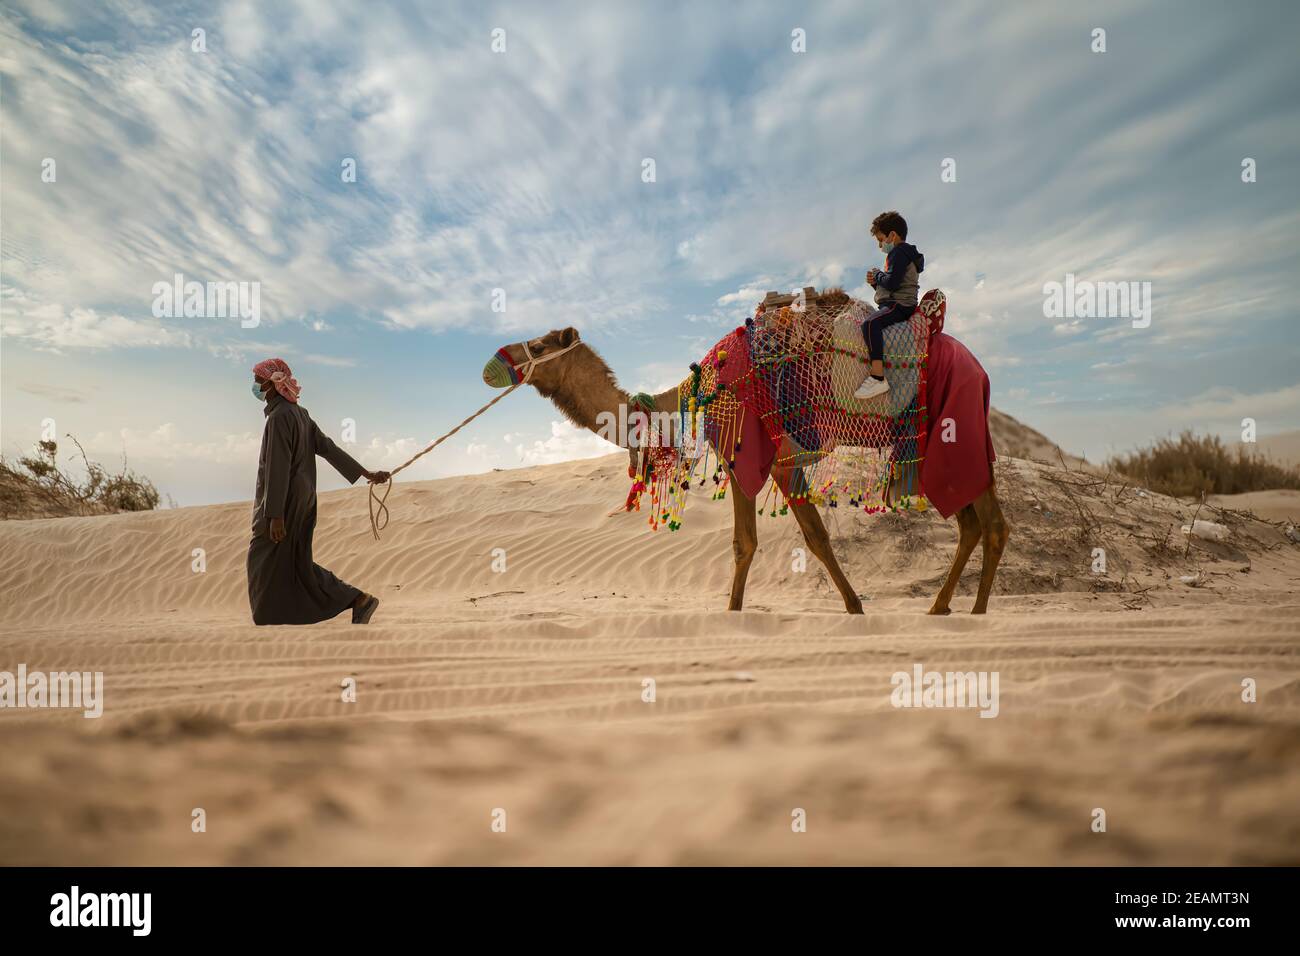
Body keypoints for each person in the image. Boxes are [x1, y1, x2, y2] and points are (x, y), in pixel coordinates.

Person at [246, 358, 390, 625]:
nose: (254, 385)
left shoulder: (279, 417)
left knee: (263, 558)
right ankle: (358, 600)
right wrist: (365, 473)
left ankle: (349, 599)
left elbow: (277, 468)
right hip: (304, 500)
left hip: (284, 504)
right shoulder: (300, 414)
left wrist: (275, 515)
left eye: (258, 380)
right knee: (296, 562)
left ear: (272, 383)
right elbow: (328, 448)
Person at [853, 210, 925, 400]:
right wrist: (876, 283)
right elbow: (894, 283)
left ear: (892, 235)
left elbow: (892, 283)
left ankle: (877, 377)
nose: (880, 245)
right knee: (873, 321)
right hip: (896, 301)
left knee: (870, 324)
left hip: (899, 304)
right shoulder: (903, 254)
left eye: (880, 239)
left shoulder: (898, 252)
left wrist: (877, 274)